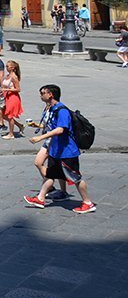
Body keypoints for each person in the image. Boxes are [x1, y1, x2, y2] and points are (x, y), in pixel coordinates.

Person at [24, 84, 95, 213]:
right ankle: (40, 198)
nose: (41, 95)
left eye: (42, 93)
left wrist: (40, 138)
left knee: (75, 178)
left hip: (66, 151)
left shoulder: (62, 110)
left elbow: (60, 129)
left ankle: (87, 202)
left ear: (50, 94)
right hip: (56, 150)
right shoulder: (51, 108)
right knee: (50, 175)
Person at [0, 60, 24, 139]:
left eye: (8, 66)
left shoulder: (14, 77)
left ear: (13, 68)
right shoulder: (7, 75)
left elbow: (18, 89)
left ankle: (11, 134)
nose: (6, 68)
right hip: (7, 96)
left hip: (13, 98)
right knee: (3, 115)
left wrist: (6, 90)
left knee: (9, 116)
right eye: (6, 66)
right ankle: (19, 125)